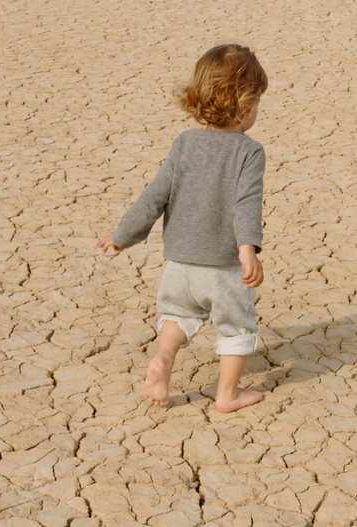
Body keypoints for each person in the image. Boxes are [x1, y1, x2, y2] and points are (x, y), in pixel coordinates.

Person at [99, 44, 269, 413]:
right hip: (222, 268)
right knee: (236, 328)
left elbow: (155, 195)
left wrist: (122, 236)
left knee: (179, 315)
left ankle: (163, 357)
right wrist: (247, 248)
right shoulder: (249, 152)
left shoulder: (185, 143)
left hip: (179, 263)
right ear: (246, 104)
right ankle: (227, 395)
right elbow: (246, 202)